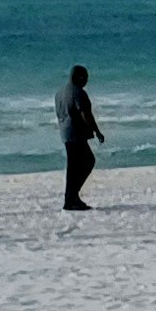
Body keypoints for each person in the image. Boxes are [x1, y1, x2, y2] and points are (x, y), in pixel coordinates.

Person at [58, 65, 104, 210]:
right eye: (85, 78)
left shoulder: (59, 93)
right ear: (80, 77)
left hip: (65, 133)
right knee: (88, 161)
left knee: (73, 167)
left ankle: (71, 198)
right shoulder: (78, 93)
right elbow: (85, 114)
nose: (86, 82)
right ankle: (72, 197)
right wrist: (97, 131)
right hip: (76, 134)